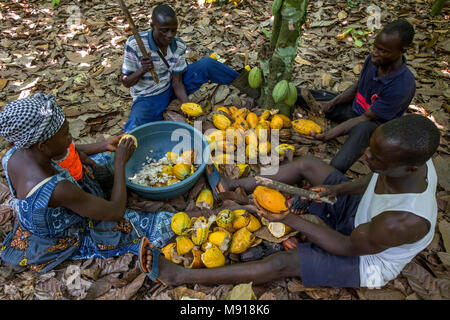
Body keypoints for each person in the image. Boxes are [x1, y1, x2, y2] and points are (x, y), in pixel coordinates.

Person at [140, 114, 440, 288]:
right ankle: (235, 183)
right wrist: (340, 190)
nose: (366, 157)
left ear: (410, 168)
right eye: (370, 149)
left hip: (366, 257)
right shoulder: (411, 164)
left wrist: (287, 219)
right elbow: (376, 180)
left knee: (283, 262)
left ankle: (181, 275)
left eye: (376, 157)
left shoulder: (404, 220)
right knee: (308, 164)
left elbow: (347, 246)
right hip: (361, 214)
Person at [0, 93, 177, 273]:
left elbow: (67, 151)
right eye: (65, 134)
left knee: (101, 160)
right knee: (162, 223)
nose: (71, 138)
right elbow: (114, 212)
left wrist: (104, 145)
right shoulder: (58, 189)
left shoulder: (16, 153)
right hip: (68, 234)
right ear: (43, 145)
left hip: (61, 202)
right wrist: (120, 164)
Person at [298, 19, 416, 174]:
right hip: (354, 109)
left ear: (402, 51)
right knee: (315, 96)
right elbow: (357, 87)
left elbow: (365, 119)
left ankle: (330, 175)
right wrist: (332, 102)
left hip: (373, 125)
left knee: (361, 131)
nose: (375, 53)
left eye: (383, 51)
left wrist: (328, 136)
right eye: (375, 47)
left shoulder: (401, 86)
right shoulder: (373, 60)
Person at [121, 4, 239, 132]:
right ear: (152, 26)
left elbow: (177, 81)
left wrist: (186, 104)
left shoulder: (179, 45)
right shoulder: (134, 44)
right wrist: (142, 70)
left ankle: (243, 83)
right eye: (164, 30)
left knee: (207, 64)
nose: (170, 35)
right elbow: (126, 82)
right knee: (134, 126)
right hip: (149, 96)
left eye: (173, 30)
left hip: (171, 87)